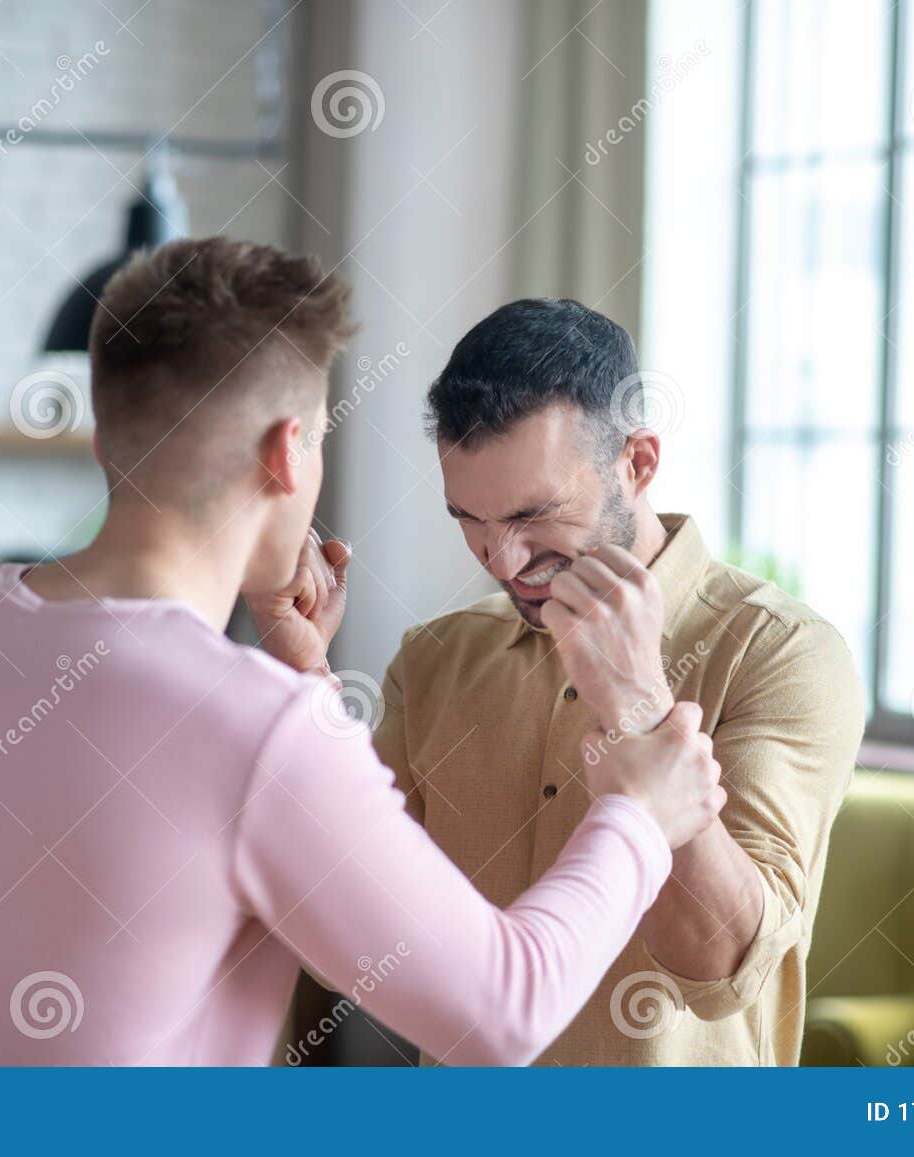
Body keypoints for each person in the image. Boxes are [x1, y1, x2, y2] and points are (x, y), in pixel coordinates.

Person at [0, 242, 724, 1067]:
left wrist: (301, 688)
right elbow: (505, 1013)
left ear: (106, 441)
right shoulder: (256, 730)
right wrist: (641, 812)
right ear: (289, 453)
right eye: (322, 438)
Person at [256, 298, 864, 1065]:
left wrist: (640, 707)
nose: (502, 561)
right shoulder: (436, 659)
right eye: (468, 520)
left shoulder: (782, 654)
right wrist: (305, 674)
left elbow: (724, 972)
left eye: (533, 515)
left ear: (638, 463)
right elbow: (337, 935)